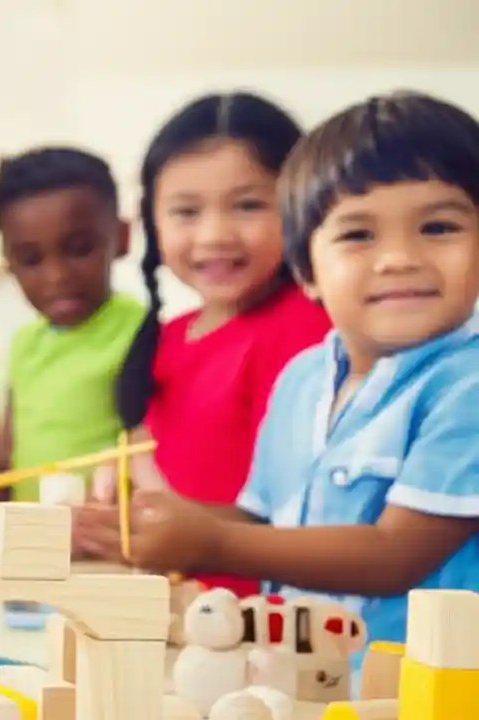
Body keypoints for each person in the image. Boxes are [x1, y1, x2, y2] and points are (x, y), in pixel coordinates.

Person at [83, 91, 479, 680]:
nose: (398, 258)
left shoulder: (466, 385)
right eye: (358, 235)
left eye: (438, 226)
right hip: (302, 683)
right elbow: (263, 524)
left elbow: (396, 555)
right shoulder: (304, 378)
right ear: (307, 270)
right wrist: (148, 524)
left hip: (426, 693)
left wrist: (208, 544)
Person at [85, 93, 333, 595]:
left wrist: (154, 528)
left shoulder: (305, 330)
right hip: (178, 610)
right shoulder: (169, 335)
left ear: (301, 204)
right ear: (153, 222)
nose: (215, 234)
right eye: (186, 211)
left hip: (264, 625)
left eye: (247, 205)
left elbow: (305, 518)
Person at [0, 147, 144, 504]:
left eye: (79, 249)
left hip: (105, 548)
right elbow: (4, 459)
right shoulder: (24, 344)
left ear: (121, 237)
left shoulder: (143, 333)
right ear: (7, 262)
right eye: (30, 259)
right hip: (27, 545)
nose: (56, 276)